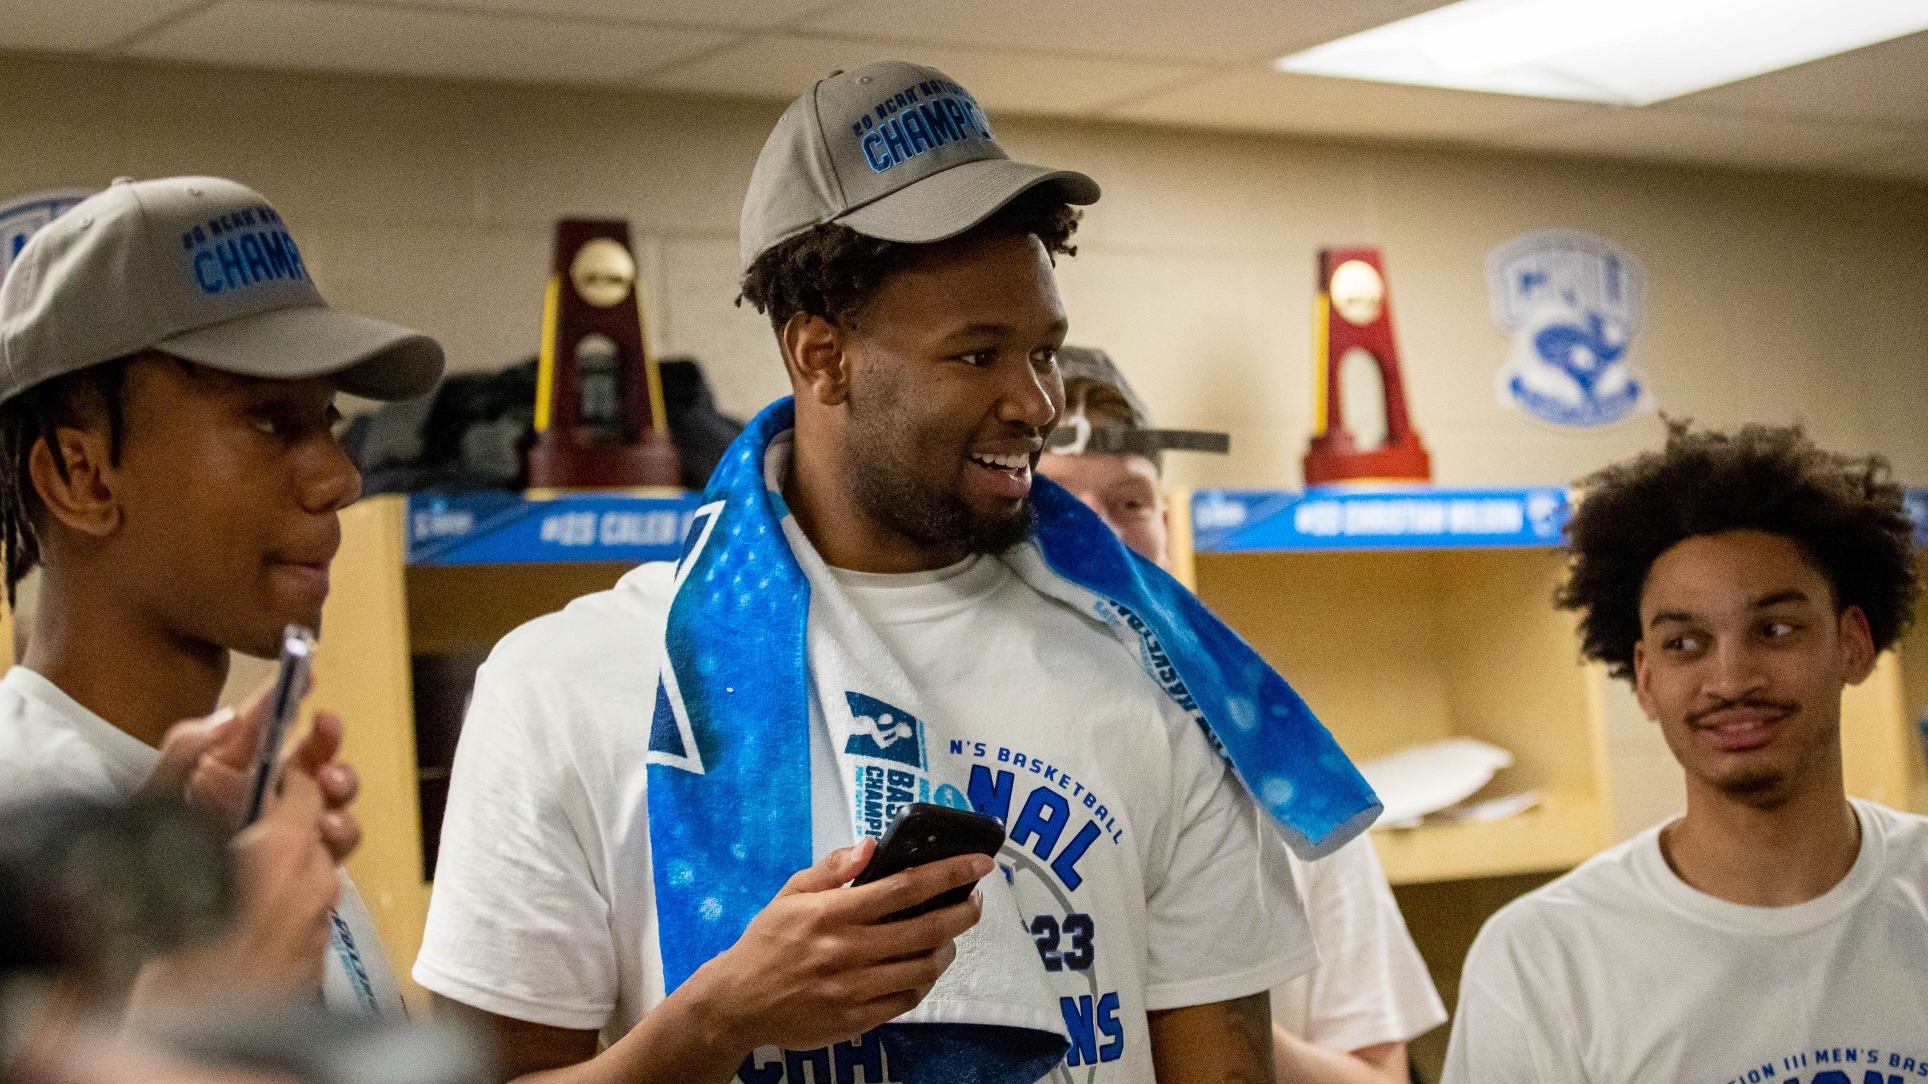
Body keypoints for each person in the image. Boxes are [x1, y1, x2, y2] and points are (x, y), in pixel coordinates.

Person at [417, 60, 1376, 1084]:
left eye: (1042, 350)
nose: (1035, 400)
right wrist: (717, 1018)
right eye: (975, 356)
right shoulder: (569, 685)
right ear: (819, 354)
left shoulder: (1163, 672)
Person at [0, 175, 445, 1017]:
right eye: (270, 423)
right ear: (80, 475)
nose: (341, 476)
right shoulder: (19, 824)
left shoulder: (246, 813)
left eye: (329, 421)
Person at [1442, 422, 1928, 1082]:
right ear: (1644, 679)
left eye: (1776, 629)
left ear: (1854, 643)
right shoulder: (1542, 957)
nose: (1731, 680)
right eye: (1684, 644)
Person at [1037, 347, 1446, 1084]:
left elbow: (1381, 1078)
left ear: (1165, 524)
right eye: (1061, 503)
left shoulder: (1279, 776)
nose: (1103, 534)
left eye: (1129, 503)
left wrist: (1203, 1000)